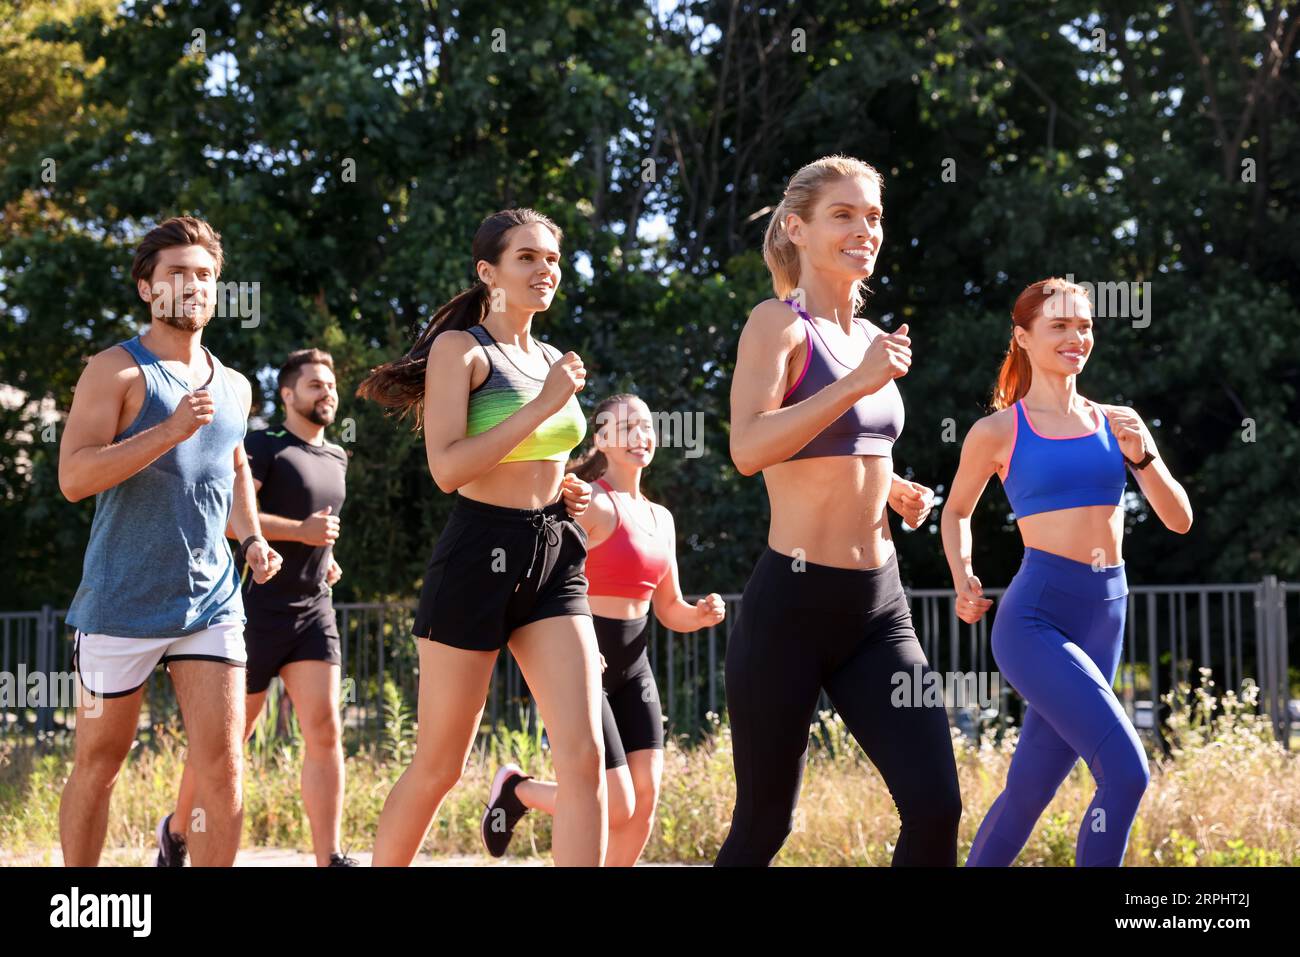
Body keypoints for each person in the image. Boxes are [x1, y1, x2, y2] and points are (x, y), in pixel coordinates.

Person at [718, 155, 962, 866]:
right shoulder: (776, 325)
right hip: (789, 606)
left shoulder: (871, 336)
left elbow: (847, 445)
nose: (866, 229)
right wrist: (857, 382)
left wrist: (892, 487)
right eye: (844, 214)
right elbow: (748, 446)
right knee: (765, 824)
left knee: (935, 804)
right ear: (796, 227)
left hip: (879, 608)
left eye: (874, 215)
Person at [357, 208, 607, 866]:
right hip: (478, 553)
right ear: (488, 272)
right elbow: (449, 467)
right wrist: (544, 405)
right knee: (440, 765)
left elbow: (538, 457)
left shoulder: (554, 358)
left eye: (552, 258)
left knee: (584, 758)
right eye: (527, 257)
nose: (545, 269)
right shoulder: (462, 351)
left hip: (553, 551)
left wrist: (565, 486)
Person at [942, 276, 1193, 866]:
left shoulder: (1120, 421)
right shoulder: (999, 430)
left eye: (1084, 326)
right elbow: (956, 510)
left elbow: (1178, 520)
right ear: (1023, 337)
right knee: (1127, 774)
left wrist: (1145, 458)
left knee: (1029, 792)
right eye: (1059, 326)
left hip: (1106, 614)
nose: (1075, 337)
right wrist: (963, 574)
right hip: (1036, 618)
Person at [58, 216, 281, 867]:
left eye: (205, 274)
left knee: (223, 768)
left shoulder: (235, 384)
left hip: (210, 600)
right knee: (99, 761)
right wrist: (168, 430)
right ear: (146, 288)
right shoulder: (115, 372)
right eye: (177, 273)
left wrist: (255, 537)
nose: (194, 285)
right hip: (121, 599)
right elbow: (74, 477)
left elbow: (234, 465)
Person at [482, 393, 726, 865]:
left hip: (635, 668)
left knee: (644, 804)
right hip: (584, 658)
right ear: (602, 440)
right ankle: (519, 791)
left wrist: (700, 614)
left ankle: (520, 790)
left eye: (648, 427)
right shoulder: (587, 500)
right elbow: (543, 577)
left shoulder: (662, 519)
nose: (641, 436)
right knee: (615, 801)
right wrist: (569, 644)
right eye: (627, 427)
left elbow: (669, 607)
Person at [162, 348, 355, 867]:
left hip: (315, 611)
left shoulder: (337, 457)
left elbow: (323, 527)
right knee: (228, 740)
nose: (326, 393)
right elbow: (232, 521)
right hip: (257, 612)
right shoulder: (265, 445)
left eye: (330, 385)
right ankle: (178, 832)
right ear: (288, 394)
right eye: (314, 385)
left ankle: (329, 856)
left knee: (325, 728)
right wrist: (303, 534)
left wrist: (327, 555)